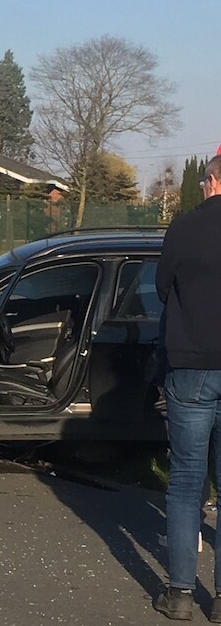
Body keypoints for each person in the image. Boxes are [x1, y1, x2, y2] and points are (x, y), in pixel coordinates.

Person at [155, 154, 221, 621]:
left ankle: (179, 594)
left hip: (191, 366)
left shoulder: (183, 228)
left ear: (211, 182)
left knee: (185, 483)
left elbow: (163, 288)